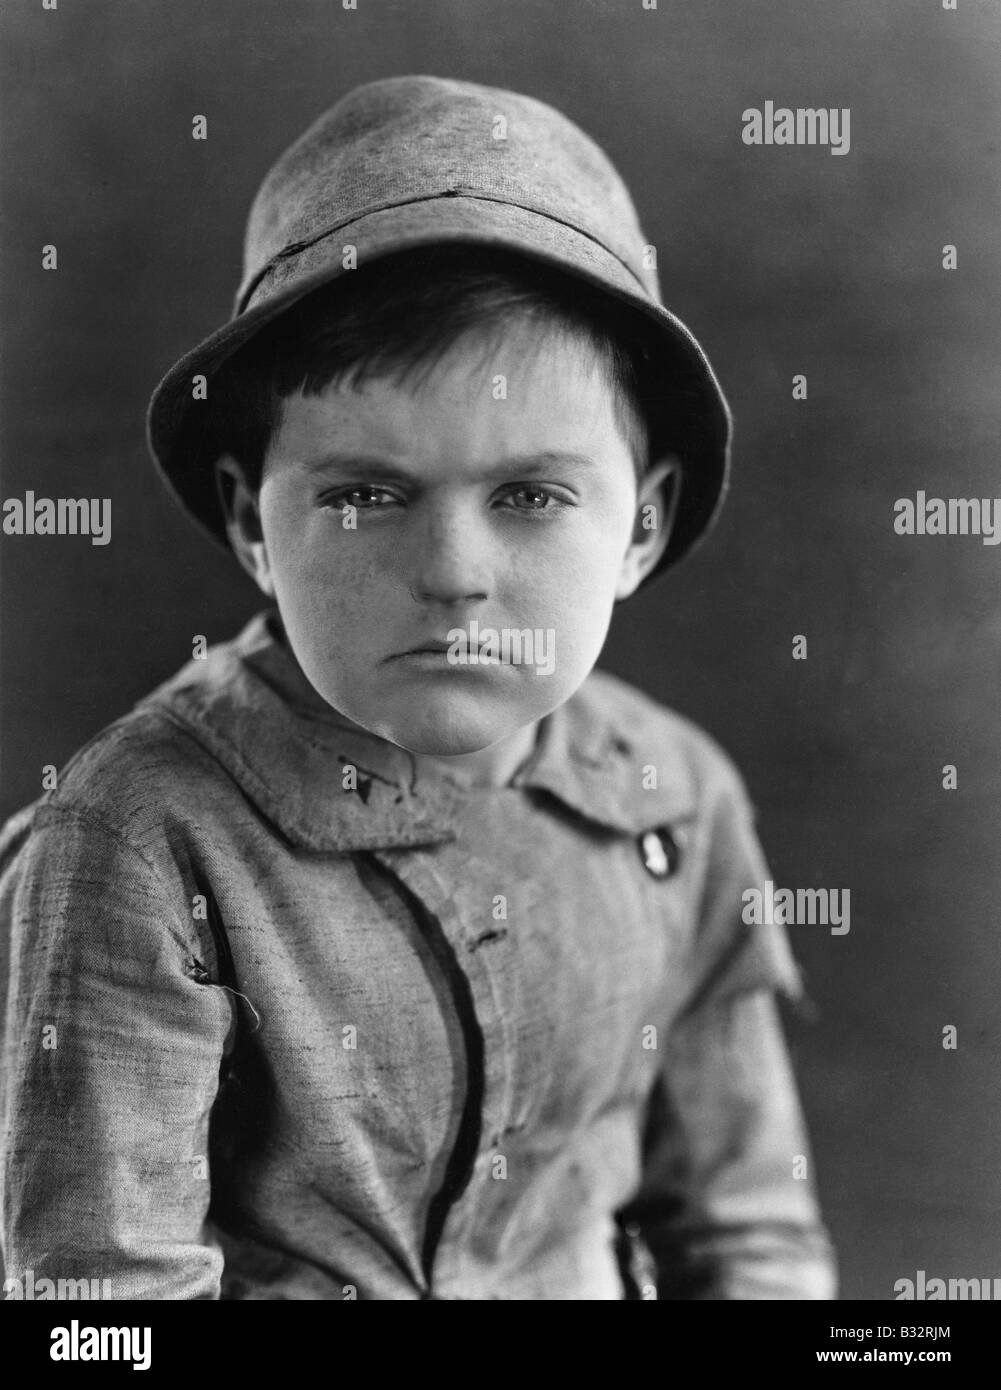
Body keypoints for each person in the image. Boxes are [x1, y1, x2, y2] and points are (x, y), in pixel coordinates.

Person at [0, 75, 836, 1300]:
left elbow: (746, 1229)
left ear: (639, 529)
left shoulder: (675, 799)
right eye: (364, 495)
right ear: (251, 524)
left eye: (530, 497)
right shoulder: (136, 843)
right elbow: (94, 1311)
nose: (452, 575)